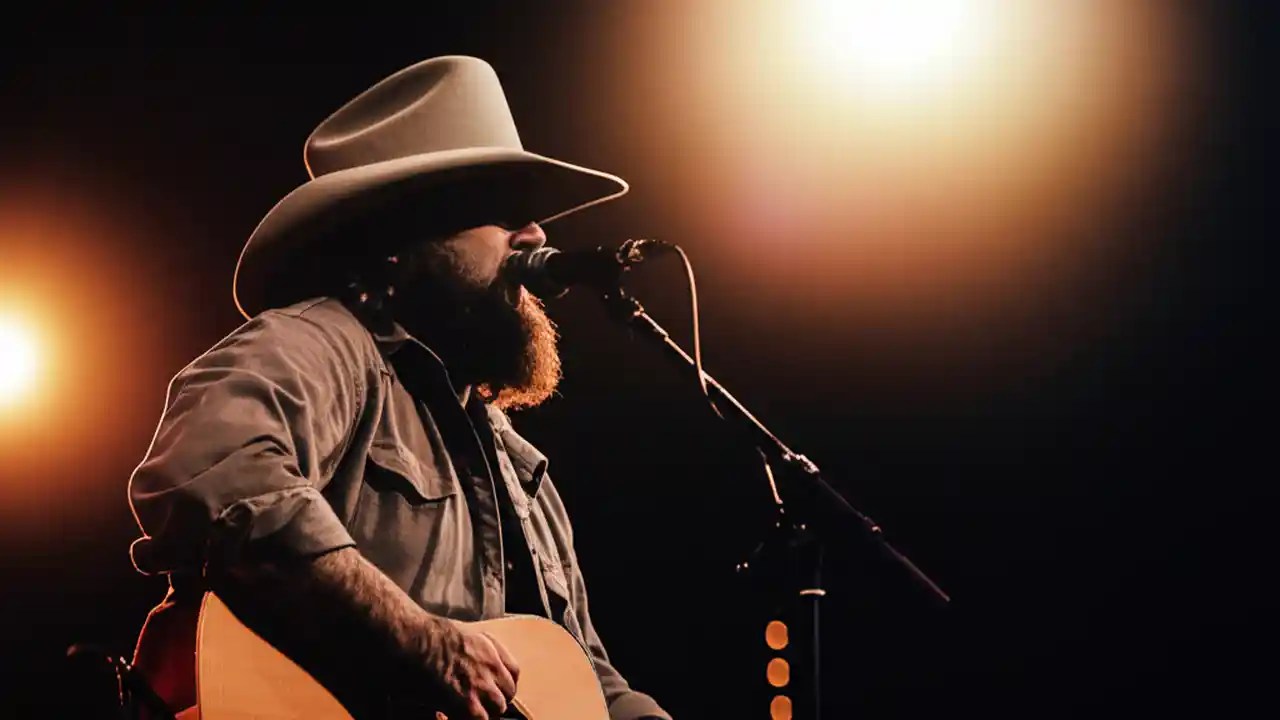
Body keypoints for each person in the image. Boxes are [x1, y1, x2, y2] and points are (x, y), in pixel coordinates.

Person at [125, 55, 671, 720]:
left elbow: (583, 681)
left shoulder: (525, 475)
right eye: (503, 211)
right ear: (398, 240)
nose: (535, 235)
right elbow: (207, 476)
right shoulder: (324, 343)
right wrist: (417, 642)